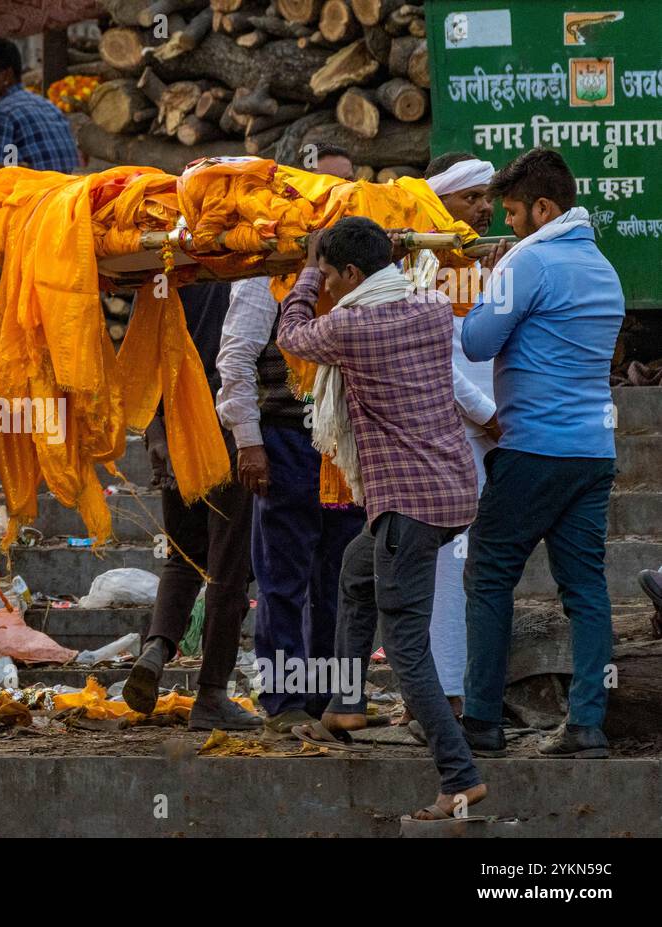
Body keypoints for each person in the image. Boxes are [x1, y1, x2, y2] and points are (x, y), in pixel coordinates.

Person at [277, 217, 486, 821]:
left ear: (348, 273)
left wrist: (305, 271)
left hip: (407, 506)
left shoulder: (351, 326)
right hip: (451, 490)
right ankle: (346, 701)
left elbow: (292, 332)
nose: (331, 289)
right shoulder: (429, 308)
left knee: (407, 650)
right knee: (353, 567)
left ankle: (459, 778)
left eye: (334, 278)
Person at [461, 148, 625, 759]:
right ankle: (586, 723)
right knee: (585, 588)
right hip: (592, 453)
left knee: (490, 576)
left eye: (512, 212)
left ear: (544, 208)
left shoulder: (529, 265)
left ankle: (480, 720)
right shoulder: (602, 268)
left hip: (532, 450)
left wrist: (473, 291)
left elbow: (477, 343)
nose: (507, 225)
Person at [215, 145, 365, 735]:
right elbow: (235, 359)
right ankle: (284, 703)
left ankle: (335, 700)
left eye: (348, 187)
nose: (338, 200)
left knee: (344, 577)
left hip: (345, 446)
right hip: (284, 441)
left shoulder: (364, 273)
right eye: (325, 188)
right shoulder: (267, 272)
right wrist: (248, 441)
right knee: (283, 578)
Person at [121, 283, 263, 732]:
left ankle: (158, 645)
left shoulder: (172, 273)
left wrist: (155, 428)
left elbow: (146, 358)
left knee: (183, 558)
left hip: (178, 426)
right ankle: (212, 694)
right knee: (229, 568)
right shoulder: (252, 272)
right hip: (229, 427)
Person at [398, 152, 500, 730]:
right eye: (471, 198)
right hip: (451, 435)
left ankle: (469, 697)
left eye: (488, 197)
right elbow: (438, 359)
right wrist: (486, 414)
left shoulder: (493, 261)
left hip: (494, 433)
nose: (484, 208)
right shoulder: (420, 267)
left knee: (479, 566)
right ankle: (444, 701)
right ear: (439, 203)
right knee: (444, 569)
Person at [0, 38, 80, 172]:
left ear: (5, 76)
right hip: (67, 191)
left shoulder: (2, 115)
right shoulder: (48, 106)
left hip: (38, 192)